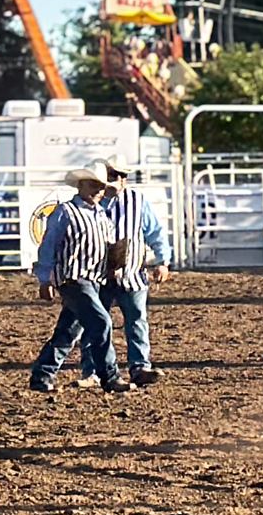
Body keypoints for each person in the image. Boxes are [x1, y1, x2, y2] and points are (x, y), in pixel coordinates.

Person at [69, 155, 172, 388]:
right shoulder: (89, 203)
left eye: (122, 175)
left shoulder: (137, 201)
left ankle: (140, 367)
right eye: (113, 174)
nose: (118, 180)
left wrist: (163, 261)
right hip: (96, 274)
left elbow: (155, 231)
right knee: (94, 323)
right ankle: (92, 371)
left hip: (132, 272)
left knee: (136, 320)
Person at [30, 167, 129, 395]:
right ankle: (110, 376)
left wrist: (114, 266)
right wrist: (45, 279)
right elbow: (49, 245)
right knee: (101, 322)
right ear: (81, 186)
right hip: (73, 279)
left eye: (101, 187)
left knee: (69, 331)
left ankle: (42, 374)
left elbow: (110, 246)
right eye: (93, 185)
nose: (98, 191)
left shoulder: (101, 215)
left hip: (94, 279)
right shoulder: (65, 212)